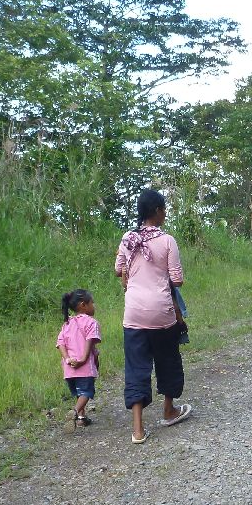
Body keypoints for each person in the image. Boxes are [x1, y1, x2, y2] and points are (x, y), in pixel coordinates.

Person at [114, 188, 193, 443]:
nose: (165, 213)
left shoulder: (128, 238)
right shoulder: (167, 240)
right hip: (161, 312)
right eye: (164, 209)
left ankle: (137, 430)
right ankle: (169, 410)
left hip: (134, 312)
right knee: (168, 360)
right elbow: (177, 280)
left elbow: (118, 269)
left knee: (136, 367)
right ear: (157, 211)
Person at [56, 289, 101, 429]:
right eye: (92, 302)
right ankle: (74, 412)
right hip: (84, 366)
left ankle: (81, 418)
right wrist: (82, 359)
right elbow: (89, 341)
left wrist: (68, 359)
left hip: (69, 368)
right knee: (86, 392)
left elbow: (60, 343)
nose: (94, 305)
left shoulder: (67, 323)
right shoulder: (91, 322)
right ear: (83, 305)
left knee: (79, 392)